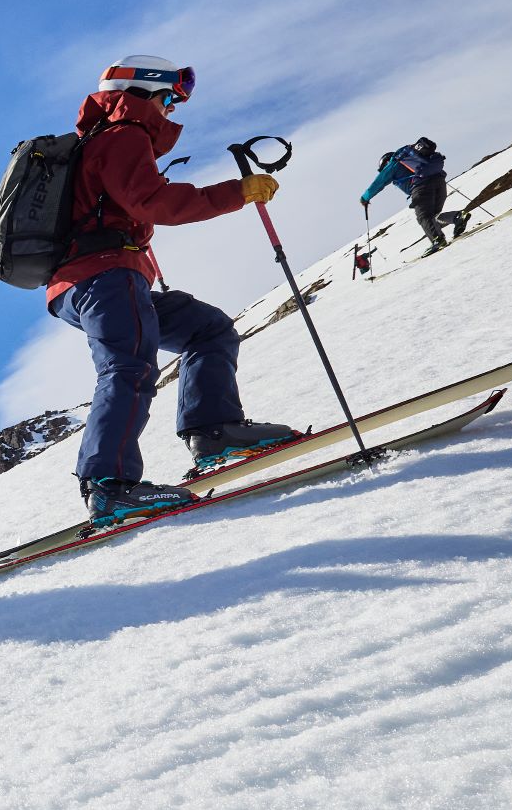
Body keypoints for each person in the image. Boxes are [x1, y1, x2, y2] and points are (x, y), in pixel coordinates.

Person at [46, 55, 300, 524]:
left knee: (207, 329)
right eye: (170, 98)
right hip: (104, 276)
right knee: (127, 365)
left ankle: (214, 430)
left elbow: (124, 207)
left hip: (92, 279)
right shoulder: (124, 135)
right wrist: (237, 193)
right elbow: (152, 201)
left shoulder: (102, 140)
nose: (172, 110)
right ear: (143, 92)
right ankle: (109, 485)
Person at [361, 137, 462, 252]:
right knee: (433, 217)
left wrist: (365, 197)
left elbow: (379, 182)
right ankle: (457, 217)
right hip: (439, 182)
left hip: (421, 188)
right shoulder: (414, 159)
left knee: (423, 216)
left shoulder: (394, 163)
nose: (383, 169)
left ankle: (437, 240)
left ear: (386, 162)